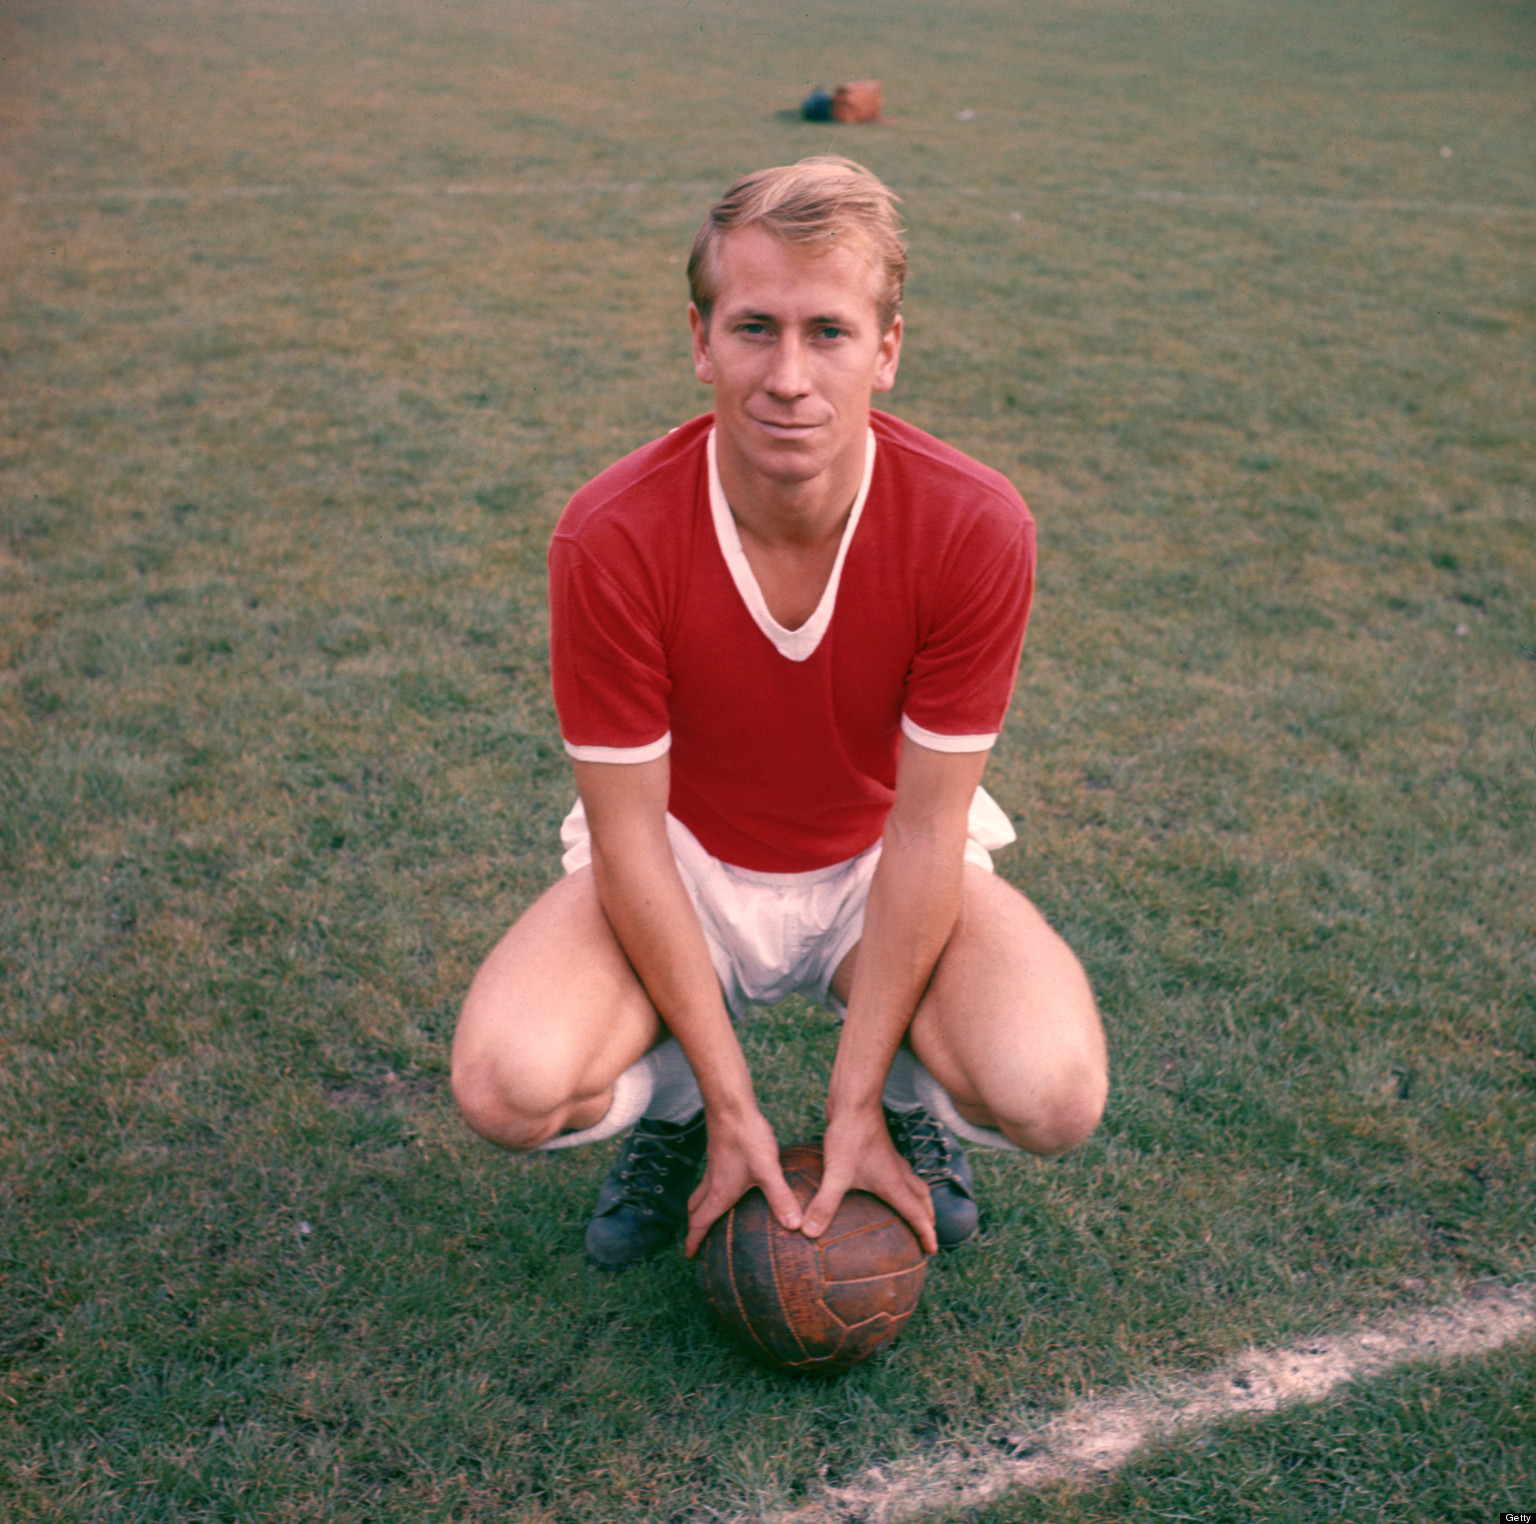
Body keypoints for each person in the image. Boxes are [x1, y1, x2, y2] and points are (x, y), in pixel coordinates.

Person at [452, 155, 1107, 1269]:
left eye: (829, 332)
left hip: (874, 861)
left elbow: (923, 829)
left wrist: (846, 1101)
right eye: (754, 327)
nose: (788, 377)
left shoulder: (973, 526)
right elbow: (625, 835)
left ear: (887, 349)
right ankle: (670, 1123)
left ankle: (900, 1108)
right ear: (700, 341)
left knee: (1052, 1097)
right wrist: (729, 1099)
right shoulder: (610, 535)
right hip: (684, 860)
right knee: (508, 1088)